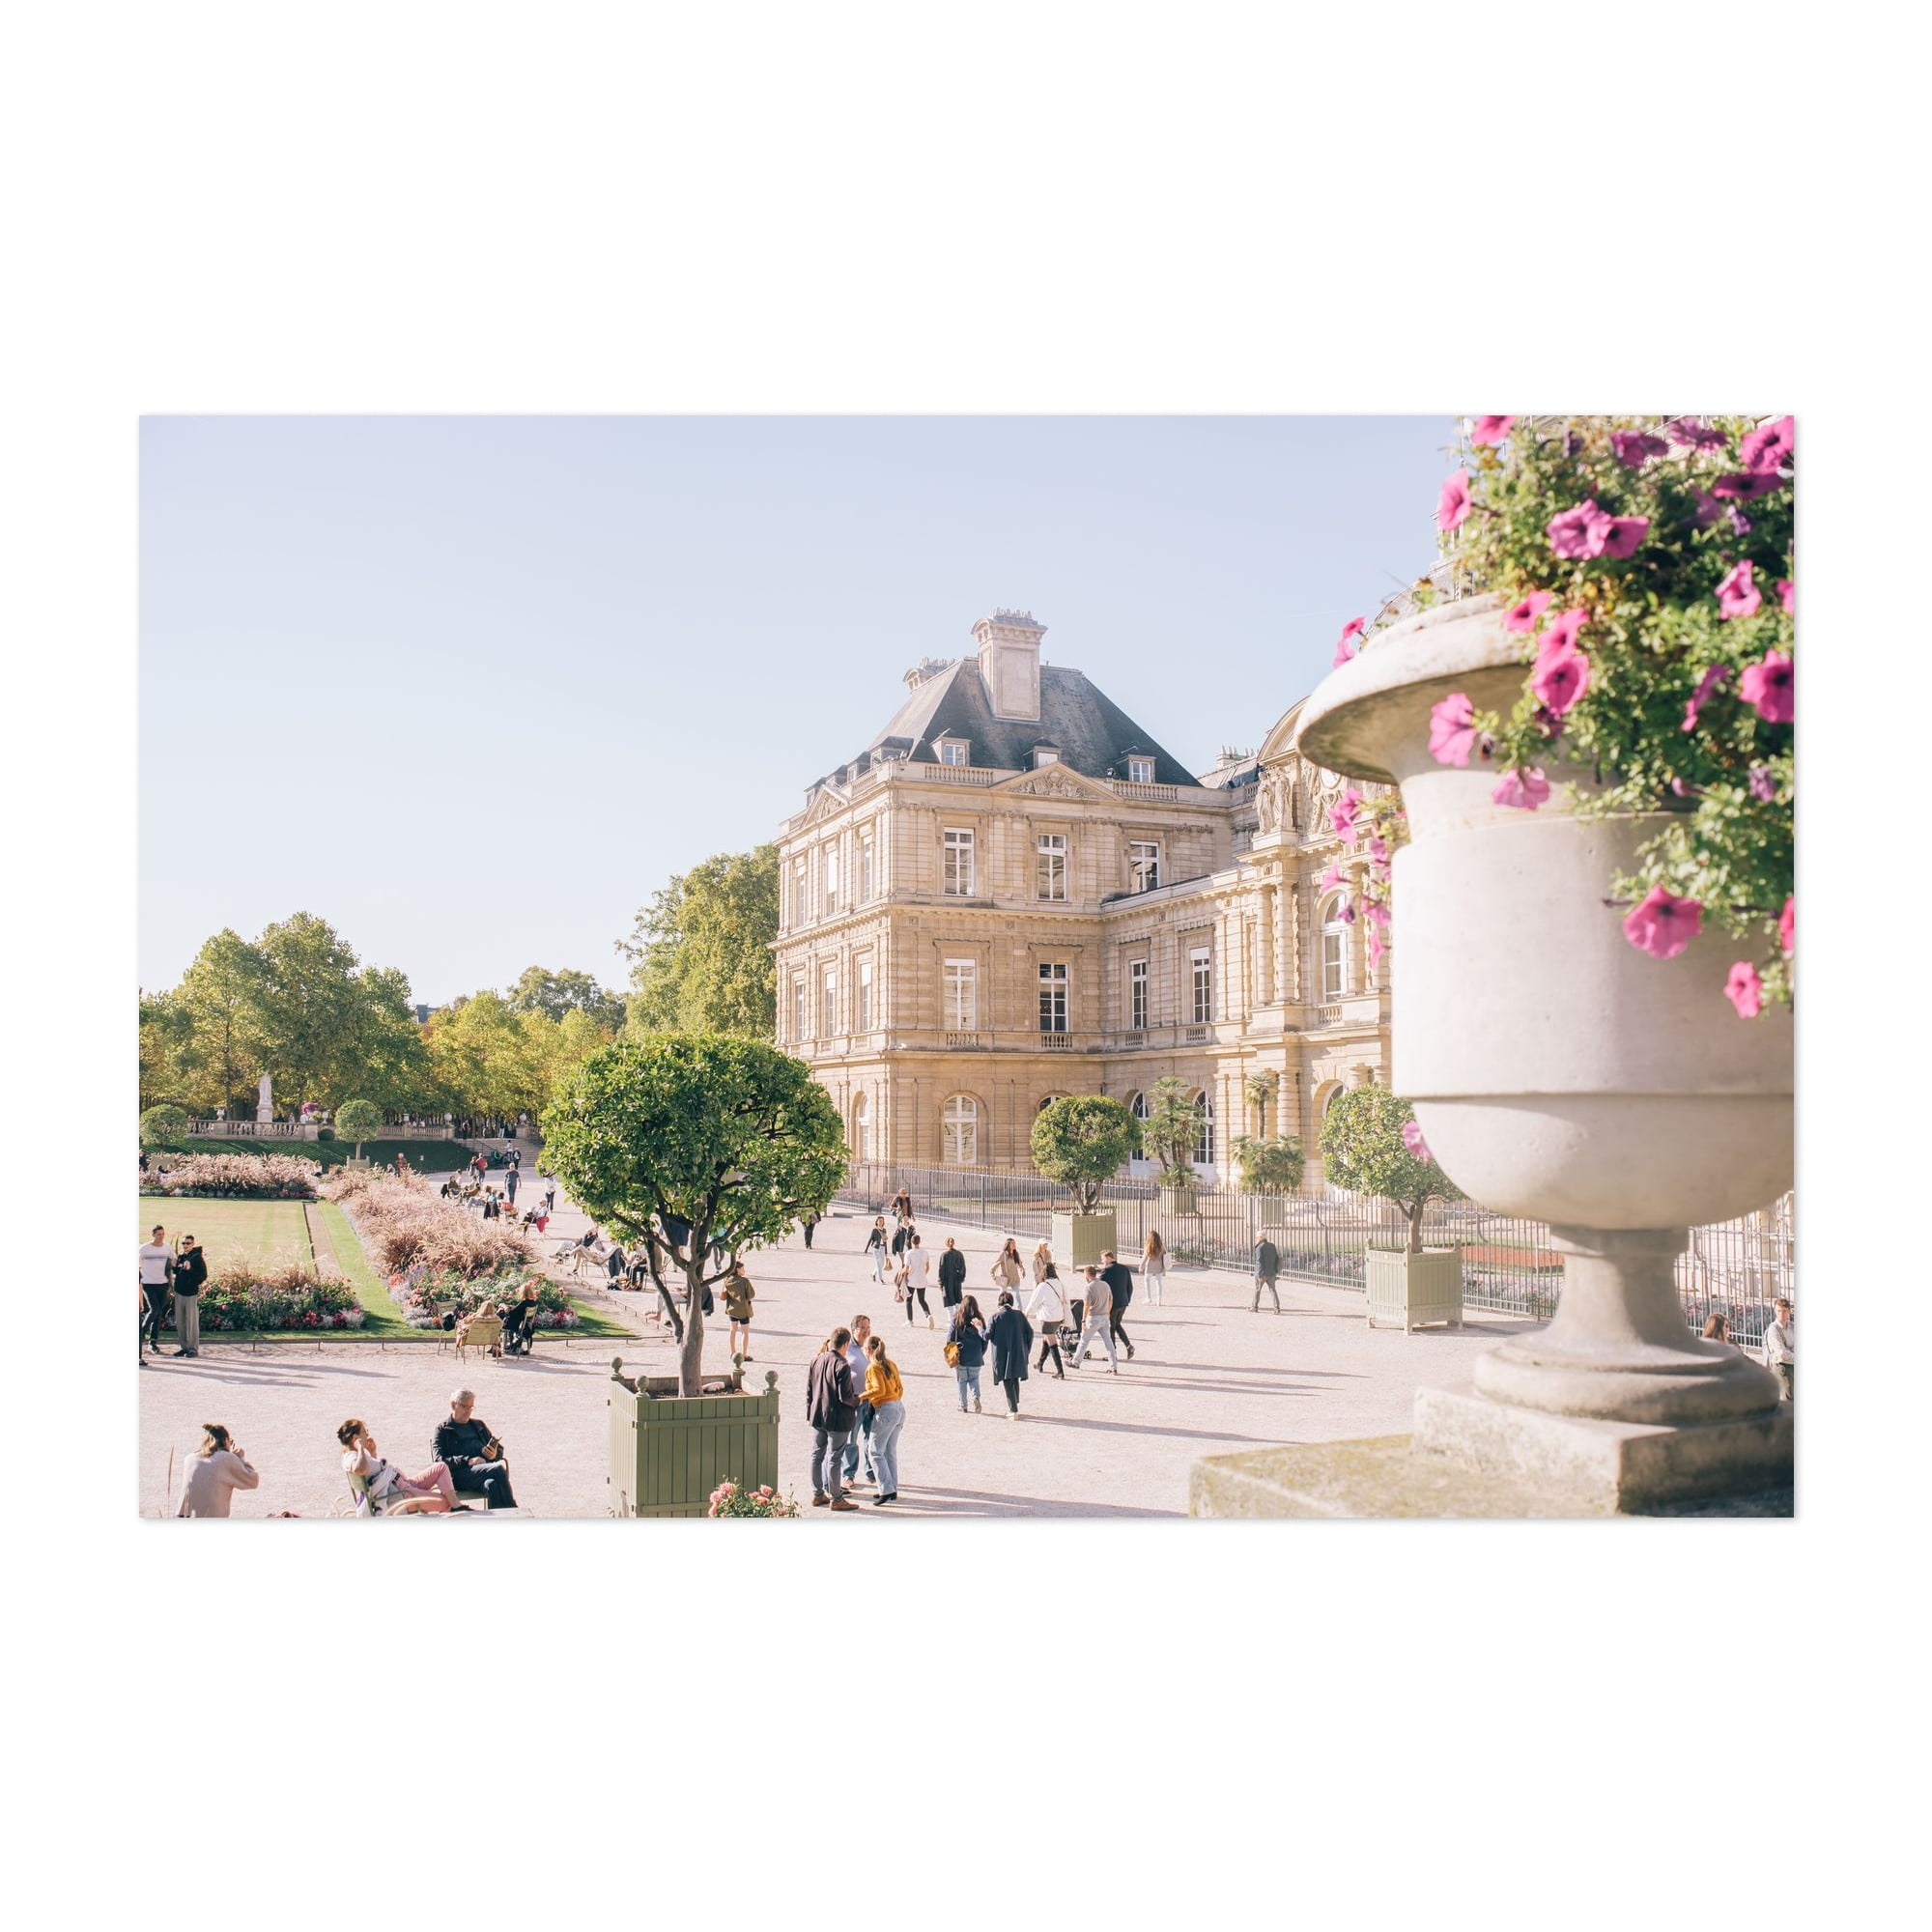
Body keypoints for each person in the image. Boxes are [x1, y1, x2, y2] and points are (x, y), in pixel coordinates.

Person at [338, 1419, 458, 1513]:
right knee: (447, 1502)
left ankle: (458, 1506)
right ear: (355, 1438)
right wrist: (361, 1448)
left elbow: (374, 1474)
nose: (367, 1436)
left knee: (440, 1467)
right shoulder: (350, 1457)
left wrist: (373, 1453)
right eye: (365, 1432)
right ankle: (458, 1507)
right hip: (401, 1494)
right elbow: (360, 1469)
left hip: (404, 1483)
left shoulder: (357, 1455)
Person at [433, 1390, 518, 1508]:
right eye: (464, 1406)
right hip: (459, 1475)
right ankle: (513, 1511)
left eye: (471, 1407)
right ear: (453, 1405)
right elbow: (439, 1460)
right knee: (498, 1468)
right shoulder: (443, 1430)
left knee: (492, 1484)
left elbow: (499, 1450)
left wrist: (494, 1455)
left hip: (484, 1471)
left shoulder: (478, 1425)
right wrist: (468, 1460)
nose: (468, 1411)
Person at [807, 1328, 862, 1510]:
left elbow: (809, 1391)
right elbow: (845, 1397)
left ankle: (817, 1494)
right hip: (837, 1418)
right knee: (835, 1458)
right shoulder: (842, 1365)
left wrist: (810, 1413)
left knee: (817, 1455)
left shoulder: (816, 1359)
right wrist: (858, 1399)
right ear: (845, 1344)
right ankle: (836, 1498)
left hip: (817, 1415)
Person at [177, 1424, 260, 1518]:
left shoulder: (190, 1458)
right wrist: (241, 1458)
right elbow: (253, 1481)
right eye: (231, 1442)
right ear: (225, 1441)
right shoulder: (227, 1458)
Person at [863, 1335, 904, 1505]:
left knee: (874, 1452)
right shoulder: (890, 1363)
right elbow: (900, 1388)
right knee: (889, 1451)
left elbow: (878, 1390)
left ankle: (886, 1489)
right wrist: (893, 1400)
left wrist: (861, 1397)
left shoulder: (873, 1367)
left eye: (865, 1349)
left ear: (870, 1350)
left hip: (885, 1409)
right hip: (898, 1407)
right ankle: (892, 1488)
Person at [986, 1290, 1036, 1420]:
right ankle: (1015, 1401)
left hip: (1002, 1352)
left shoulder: (995, 1317)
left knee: (1007, 1378)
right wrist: (1026, 1349)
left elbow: (987, 1335)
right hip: (1018, 1350)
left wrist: (980, 1327)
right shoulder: (1019, 1315)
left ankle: (1013, 1409)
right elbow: (1030, 1332)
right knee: (1014, 1376)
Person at [841, 1315, 876, 1488]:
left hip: (872, 1400)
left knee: (871, 1437)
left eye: (868, 1327)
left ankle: (871, 1471)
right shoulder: (847, 1348)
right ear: (853, 1329)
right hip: (856, 1400)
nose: (866, 1331)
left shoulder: (870, 1347)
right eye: (862, 1328)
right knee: (851, 1440)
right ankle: (848, 1475)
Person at [1068, 1265, 1119, 1373]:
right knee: (1109, 1343)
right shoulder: (1105, 1285)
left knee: (1084, 1341)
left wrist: (1083, 1320)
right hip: (1104, 1317)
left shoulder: (1089, 1287)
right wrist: (1107, 1312)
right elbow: (1110, 1300)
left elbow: (1087, 1305)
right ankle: (1113, 1366)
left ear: (1087, 1275)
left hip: (1093, 1318)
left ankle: (1076, 1362)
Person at [1026, 1262, 1068, 1378]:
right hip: (1058, 1317)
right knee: (1046, 1339)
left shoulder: (1043, 1286)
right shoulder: (1059, 1283)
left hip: (1047, 1318)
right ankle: (1040, 1363)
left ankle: (1060, 1371)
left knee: (1052, 1343)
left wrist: (1026, 1314)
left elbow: (1033, 1303)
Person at [947, 1293, 989, 1411]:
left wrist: (951, 1354)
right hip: (976, 1355)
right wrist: (981, 1353)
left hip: (961, 1356)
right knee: (974, 1379)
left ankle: (963, 1405)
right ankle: (976, 1397)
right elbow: (985, 1339)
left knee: (962, 1380)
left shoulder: (956, 1319)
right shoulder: (980, 1321)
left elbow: (949, 1339)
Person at [170, 1233, 208, 1357]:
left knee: (191, 1322)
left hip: (190, 1294)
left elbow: (202, 1277)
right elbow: (179, 1273)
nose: (185, 1245)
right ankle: (184, 1347)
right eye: (183, 1243)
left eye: (188, 1243)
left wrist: (190, 1269)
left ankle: (192, 1349)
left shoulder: (197, 1258)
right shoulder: (181, 1256)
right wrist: (174, 1267)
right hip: (179, 1292)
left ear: (193, 1244)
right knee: (180, 1322)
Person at [139, 1224, 173, 1357]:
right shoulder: (144, 1249)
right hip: (148, 1283)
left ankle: (152, 1343)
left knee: (158, 1314)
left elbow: (173, 1260)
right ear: (153, 1235)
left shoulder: (167, 1248)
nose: (161, 1236)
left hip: (162, 1284)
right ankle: (141, 1334)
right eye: (159, 1234)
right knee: (155, 1309)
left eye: (163, 1234)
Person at [1100, 1249, 1136, 1361]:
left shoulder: (1106, 1271)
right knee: (1117, 1325)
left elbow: (1100, 1288)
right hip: (1123, 1302)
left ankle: (1113, 1353)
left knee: (1111, 1327)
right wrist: (1127, 1300)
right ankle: (1128, 1345)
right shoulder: (1124, 1269)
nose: (1102, 1262)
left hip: (1112, 1304)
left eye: (1102, 1259)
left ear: (1107, 1258)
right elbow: (1130, 1287)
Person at [723, 1261, 755, 1360]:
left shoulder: (727, 1280)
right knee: (745, 1332)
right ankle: (744, 1354)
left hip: (732, 1309)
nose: (744, 1270)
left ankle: (733, 1352)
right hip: (743, 1310)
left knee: (733, 1330)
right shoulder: (744, 1281)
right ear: (737, 1270)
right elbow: (751, 1294)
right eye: (742, 1268)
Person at [1763, 1297, 1795, 1401]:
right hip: (1783, 1369)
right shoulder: (1773, 1329)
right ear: (1775, 1312)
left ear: (1789, 1311)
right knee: (1788, 1400)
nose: (1782, 1314)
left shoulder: (1792, 1327)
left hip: (1794, 1364)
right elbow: (1781, 1354)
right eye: (1779, 1311)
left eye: (1784, 1311)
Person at [501, 1282, 541, 1356]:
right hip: (525, 1324)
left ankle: (507, 1346)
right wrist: (513, 1307)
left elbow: (512, 1313)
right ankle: (512, 1345)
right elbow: (519, 1309)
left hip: (517, 1325)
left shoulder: (524, 1302)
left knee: (503, 1316)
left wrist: (505, 1307)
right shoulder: (532, 1302)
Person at [902, 1234, 933, 1327]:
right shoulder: (925, 1252)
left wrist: (902, 1273)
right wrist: (923, 1274)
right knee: (922, 1300)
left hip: (911, 1280)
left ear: (911, 1242)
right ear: (919, 1242)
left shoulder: (909, 1253)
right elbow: (927, 1267)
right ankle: (928, 1315)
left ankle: (910, 1320)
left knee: (909, 1300)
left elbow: (906, 1268)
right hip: (922, 1279)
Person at [1252, 1236, 1282, 1314]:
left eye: (1257, 1237)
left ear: (1260, 1238)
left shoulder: (1259, 1248)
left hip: (1262, 1273)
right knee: (1273, 1290)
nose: (1256, 1239)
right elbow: (1277, 1258)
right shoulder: (1272, 1246)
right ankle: (1277, 1308)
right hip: (1271, 1273)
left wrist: (1259, 1274)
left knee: (1257, 1289)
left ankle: (1254, 1307)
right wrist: (1275, 1271)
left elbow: (1259, 1262)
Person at [937, 1236, 967, 1315]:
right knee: (958, 1300)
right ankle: (958, 1318)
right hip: (957, 1281)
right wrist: (962, 1277)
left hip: (947, 1281)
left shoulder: (944, 1255)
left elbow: (941, 1269)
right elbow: (963, 1267)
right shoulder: (959, 1254)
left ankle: (951, 1320)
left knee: (949, 1301)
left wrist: (940, 1282)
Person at [1142, 1230, 1167, 1307]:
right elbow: (1165, 1254)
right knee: (1158, 1282)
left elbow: (1145, 1257)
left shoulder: (1148, 1245)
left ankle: (1148, 1298)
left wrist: (1141, 1266)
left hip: (1150, 1265)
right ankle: (1159, 1300)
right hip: (1159, 1265)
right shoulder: (1161, 1245)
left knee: (1147, 1280)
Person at [866, 1215, 891, 1283]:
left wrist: (886, 1252)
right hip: (876, 1248)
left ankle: (873, 1274)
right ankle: (881, 1279)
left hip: (882, 1248)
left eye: (882, 1221)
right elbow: (870, 1239)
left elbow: (885, 1241)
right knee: (879, 1263)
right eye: (879, 1221)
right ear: (876, 1222)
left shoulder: (884, 1230)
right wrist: (866, 1249)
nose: (881, 1222)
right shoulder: (875, 1230)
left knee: (881, 1264)